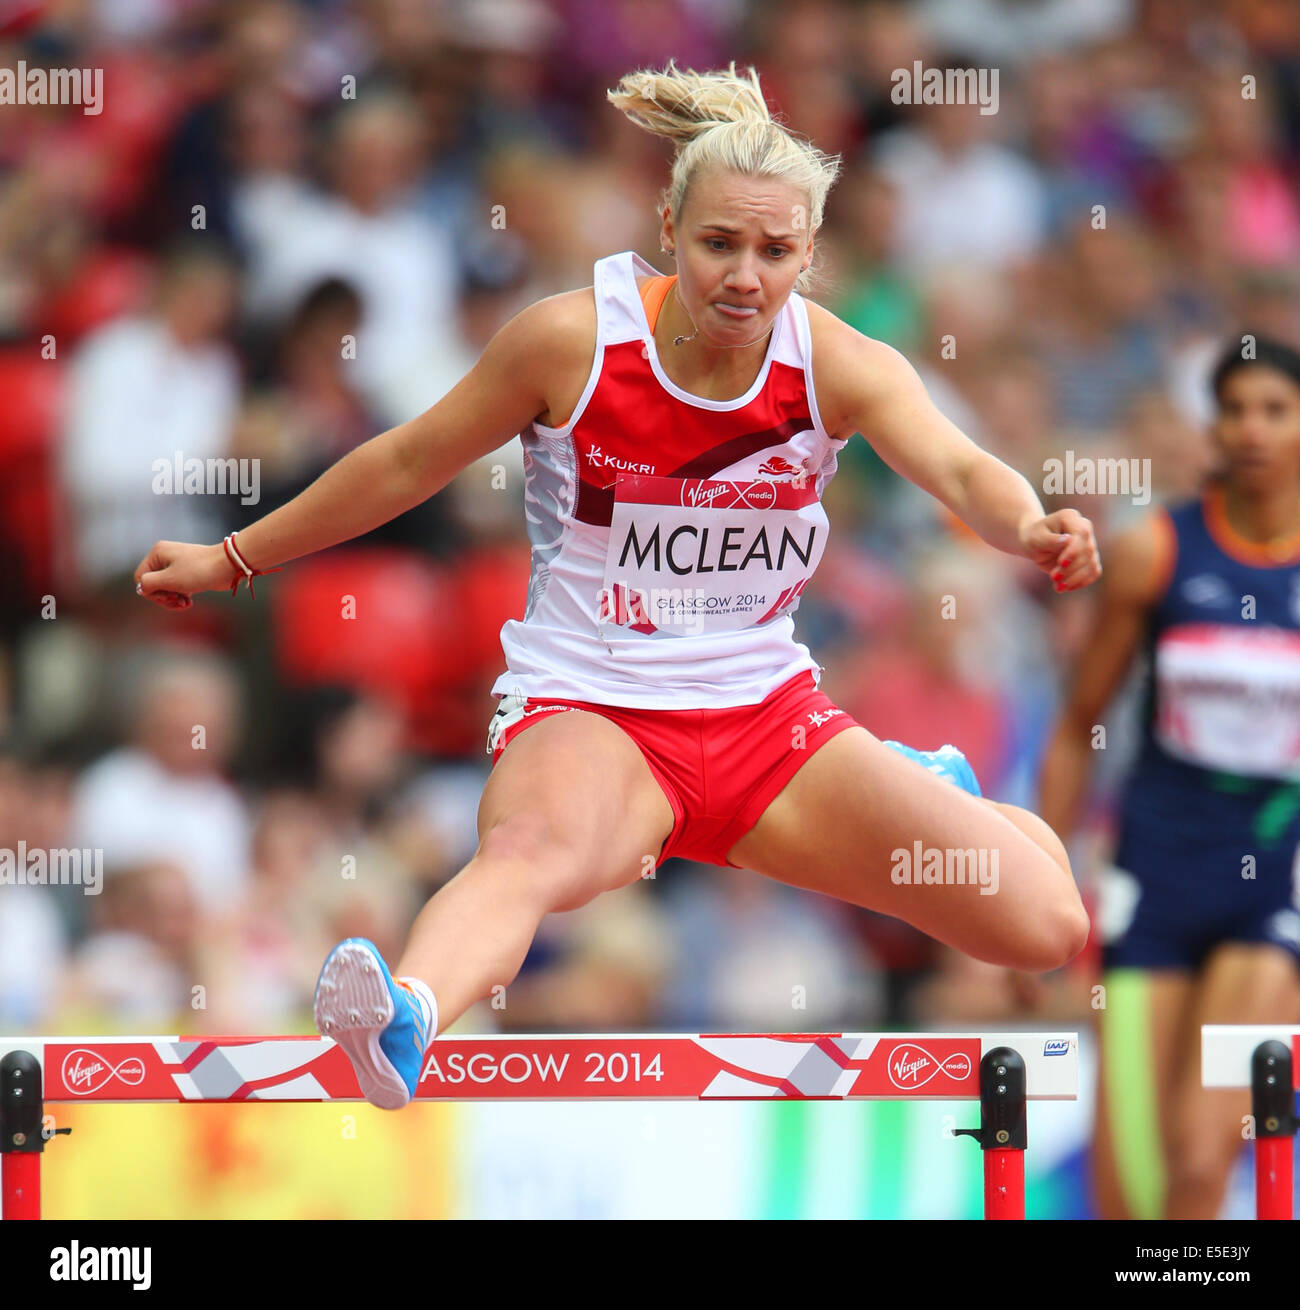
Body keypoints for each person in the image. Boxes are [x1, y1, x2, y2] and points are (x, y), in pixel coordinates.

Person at [135, 62, 1095, 1110]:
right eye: (718, 243)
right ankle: (405, 1017)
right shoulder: (572, 340)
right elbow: (406, 462)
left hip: (765, 723)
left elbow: (958, 468)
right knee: (529, 853)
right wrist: (235, 558)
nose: (744, 277)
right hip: (594, 711)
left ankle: (937, 782)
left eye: (775, 253)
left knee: (1045, 923)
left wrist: (1027, 525)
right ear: (670, 224)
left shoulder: (835, 362)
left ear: (808, 255)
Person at [1039, 336, 1300, 1219]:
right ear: (1212, 427)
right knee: (1131, 1190)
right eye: (1235, 410)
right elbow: (1078, 728)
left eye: (1276, 410)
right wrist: (1049, 878)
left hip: (1271, 879)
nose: (1253, 430)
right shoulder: (1153, 550)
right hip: (1153, 872)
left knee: (1197, 1163)